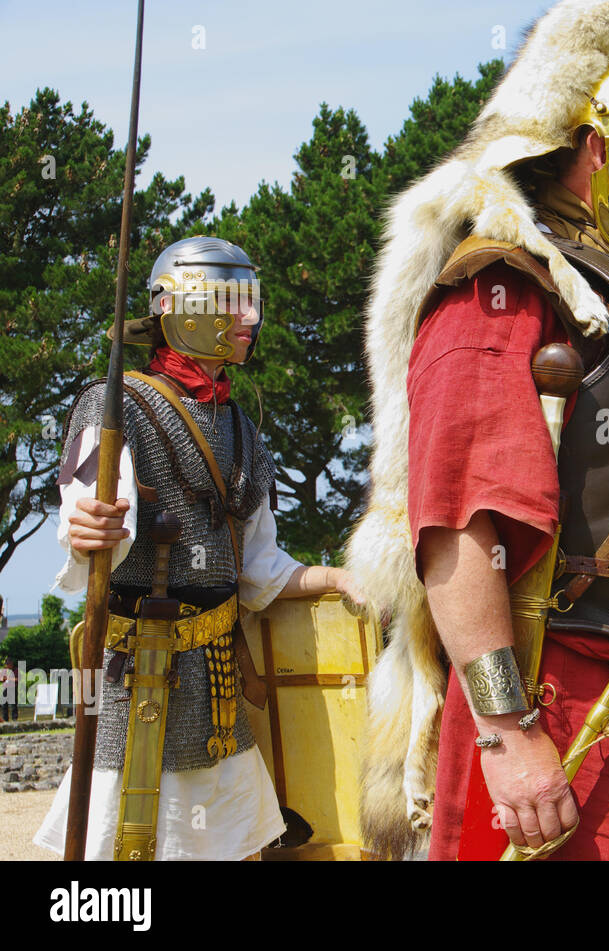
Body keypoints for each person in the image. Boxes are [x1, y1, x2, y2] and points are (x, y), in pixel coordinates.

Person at [347, 0, 609, 861]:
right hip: (566, 691)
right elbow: (459, 526)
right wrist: (505, 730)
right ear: (601, 149)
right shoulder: (503, 290)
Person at [35, 236, 361, 861]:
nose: (249, 320)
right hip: (141, 678)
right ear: (180, 309)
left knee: (231, 847)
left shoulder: (242, 428)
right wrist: (86, 535)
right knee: (130, 851)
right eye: (231, 303)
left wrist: (338, 579)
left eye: (252, 303)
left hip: (216, 679)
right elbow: (85, 520)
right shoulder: (112, 406)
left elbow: (260, 566)